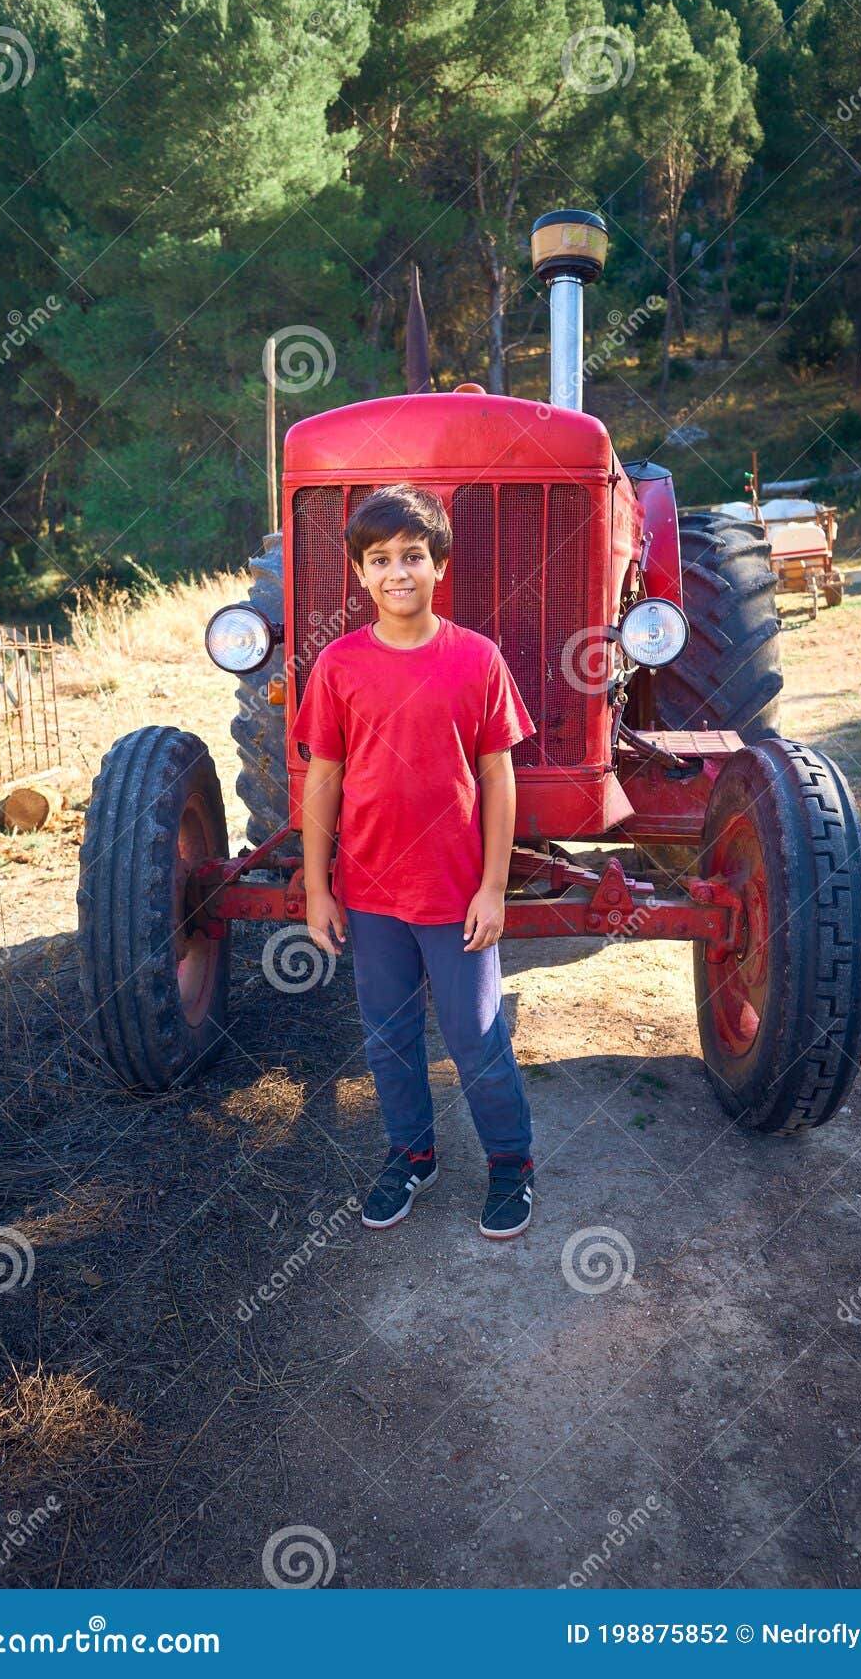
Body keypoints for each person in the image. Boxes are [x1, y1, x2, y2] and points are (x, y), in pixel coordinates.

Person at [289, 483, 537, 1239]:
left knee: (474, 1033)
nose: (398, 572)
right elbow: (324, 779)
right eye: (381, 559)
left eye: (413, 556)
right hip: (368, 891)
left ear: (438, 566)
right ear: (361, 575)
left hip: (457, 890)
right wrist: (318, 889)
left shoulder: (476, 659)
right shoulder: (337, 665)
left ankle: (510, 1163)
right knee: (388, 1035)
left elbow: (498, 776)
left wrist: (493, 888)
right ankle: (413, 1153)